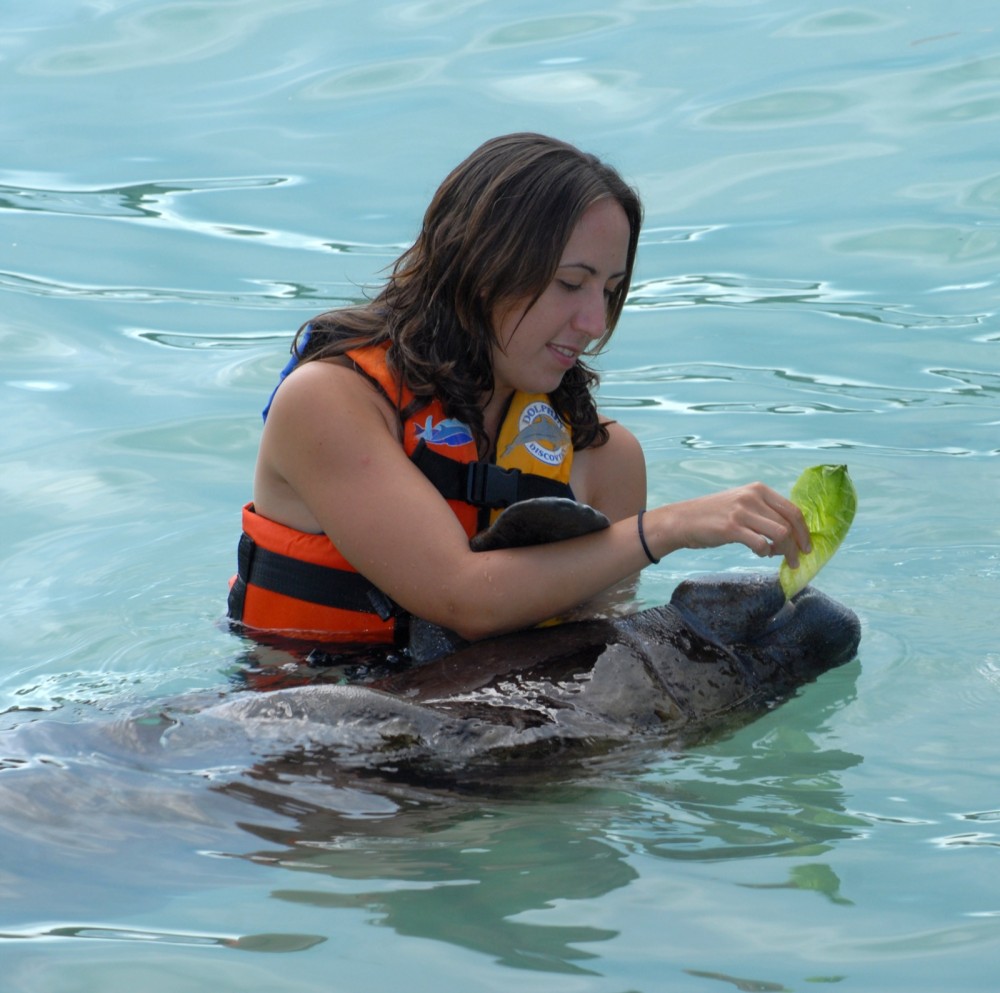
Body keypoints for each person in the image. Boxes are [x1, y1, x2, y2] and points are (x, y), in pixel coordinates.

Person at [227, 132, 810, 648]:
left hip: (491, 740)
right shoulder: (331, 401)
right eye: (570, 284)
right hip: (299, 737)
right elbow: (462, 599)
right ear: (480, 268)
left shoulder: (606, 460)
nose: (594, 322)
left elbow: (589, 656)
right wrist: (665, 529)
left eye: (609, 290)